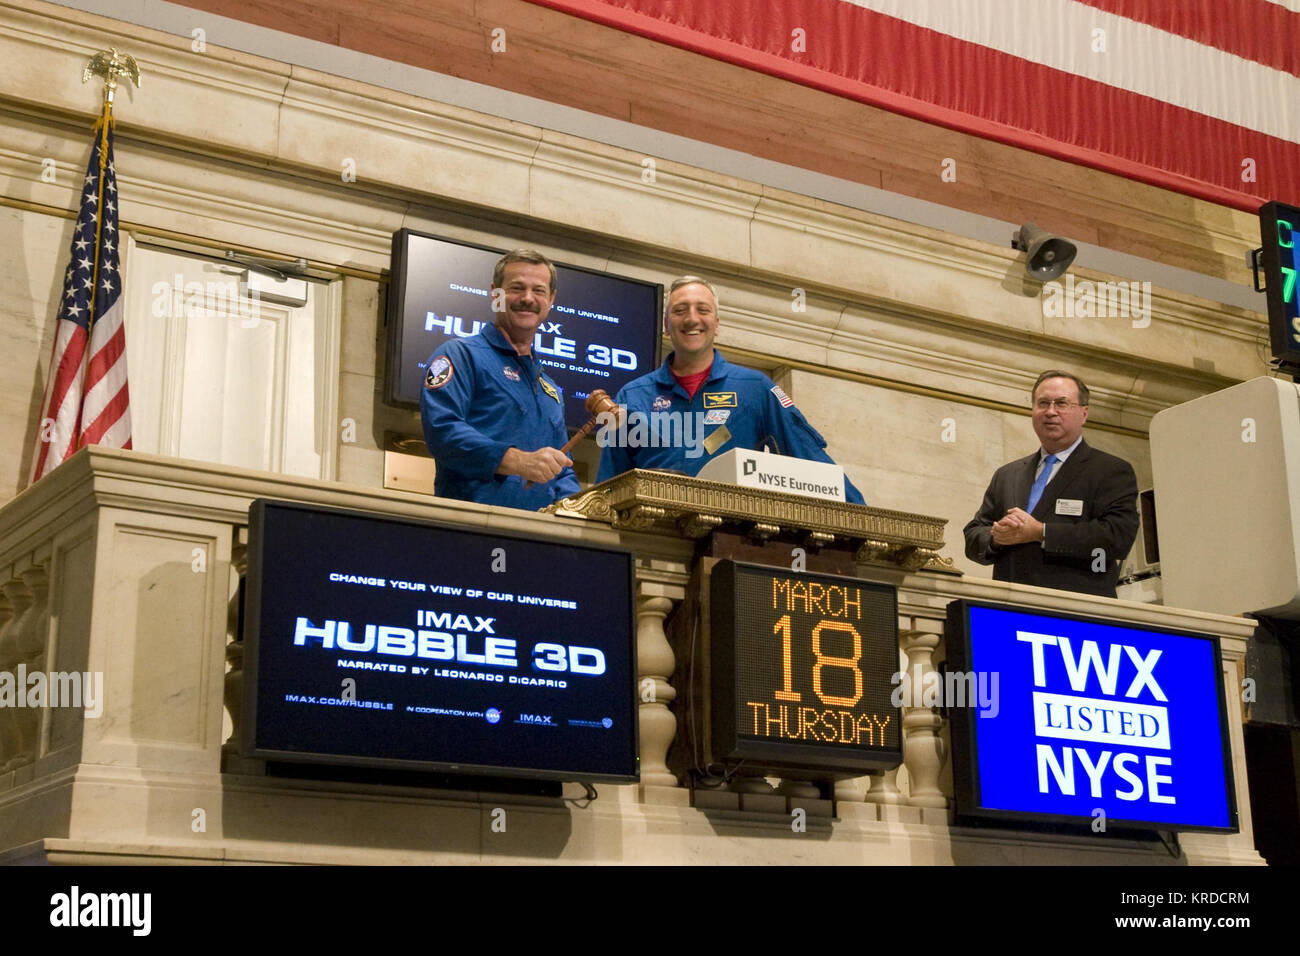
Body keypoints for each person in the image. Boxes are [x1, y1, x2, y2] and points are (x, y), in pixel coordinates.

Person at [596, 276, 864, 504]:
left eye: (703, 310)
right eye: (679, 311)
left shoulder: (755, 389)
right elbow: (608, 487)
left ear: (717, 324)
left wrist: (861, 516)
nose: (691, 319)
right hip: (653, 544)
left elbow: (810, 458)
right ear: (666, 326)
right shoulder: (632, 396)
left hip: (734, 545)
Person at [420, 248, 580, 510]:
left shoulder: (550, 389)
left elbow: (563, 468)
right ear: (495, 294)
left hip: (539, 538)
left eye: (538, 290)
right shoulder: (459, 355)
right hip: (469, 528)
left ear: (551, 300)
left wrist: (577, 510)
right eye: (517, 288)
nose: (528, 298)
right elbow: (443, 431)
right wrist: (518, 462)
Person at [963, 370, 1138, 597]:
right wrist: (996, 538)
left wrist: (1041, 532)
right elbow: (974, 533)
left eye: (1062, 403)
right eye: (1043, 403)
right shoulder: (1008, 475)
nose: (1051, 412)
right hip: (1012, 607)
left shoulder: (1110, 470)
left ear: (1084, 413)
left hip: (1078, 610)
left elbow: (1117, 538)